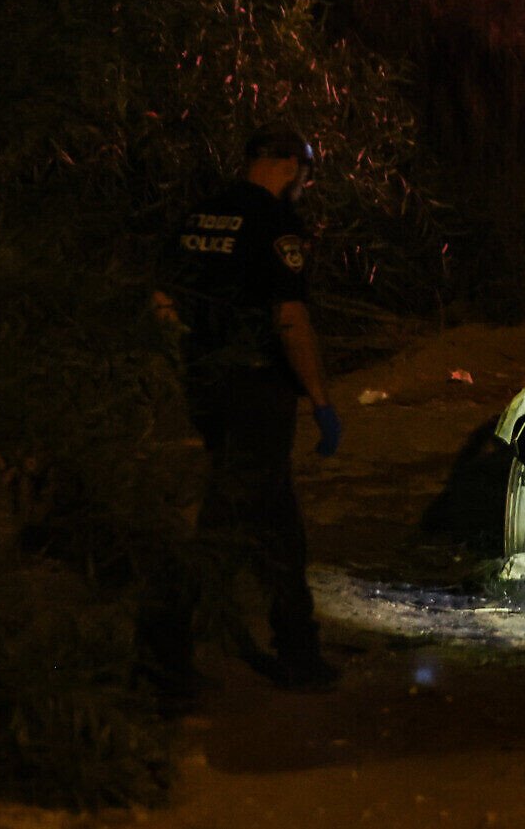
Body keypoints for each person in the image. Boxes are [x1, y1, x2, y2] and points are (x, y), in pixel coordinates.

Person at [140, 123, 343, 697]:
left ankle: (299, 649)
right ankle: (162, 655)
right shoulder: (275, 224)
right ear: (288, 166)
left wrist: (191, 364)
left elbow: (161, 301)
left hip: (208, 386)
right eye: (305, 172)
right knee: (224, 525)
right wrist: (322, 402)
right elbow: (290, 319)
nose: (306, 183)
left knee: (278, 523)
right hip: (257, 390)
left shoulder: (198, 216)